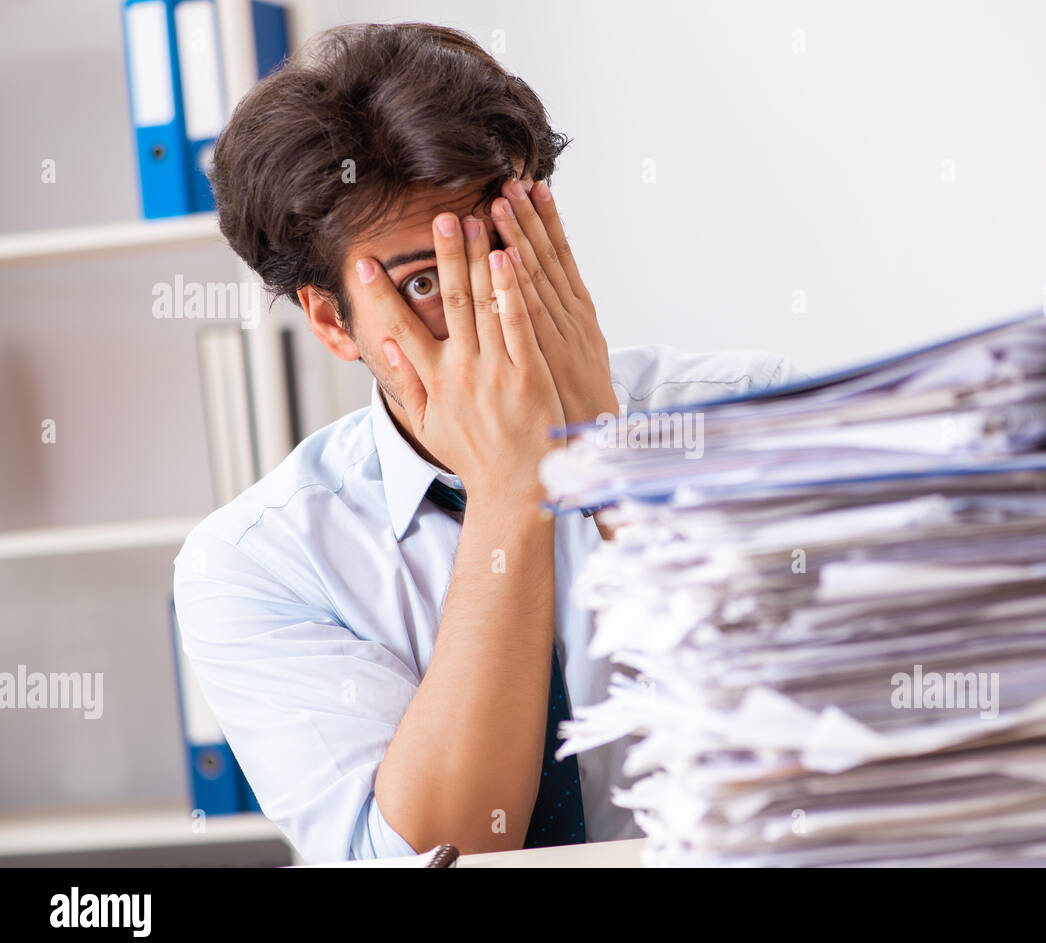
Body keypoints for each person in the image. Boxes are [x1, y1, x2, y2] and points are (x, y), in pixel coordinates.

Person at [173, 21, 795, 863]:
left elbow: (835, 744)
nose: (494, 307)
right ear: (333, 321)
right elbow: (432, 854)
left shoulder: (755, 415)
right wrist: (510, 489)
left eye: (506, 246)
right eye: (427, 281)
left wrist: (609, 465)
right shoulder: (259, 563)